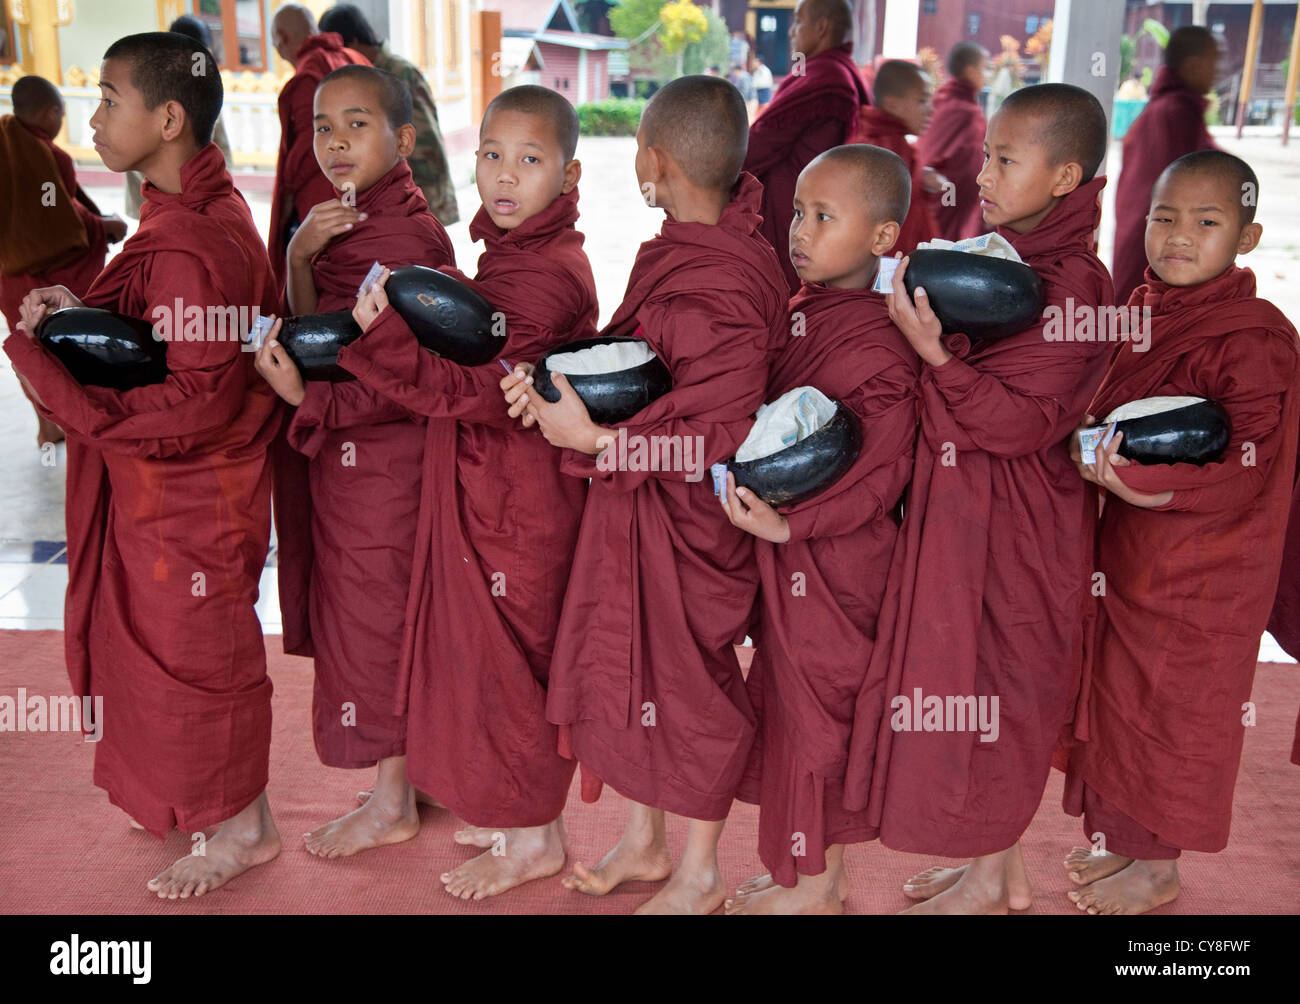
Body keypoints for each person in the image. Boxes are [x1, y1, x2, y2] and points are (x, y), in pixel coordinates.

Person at [4, 32, 282, 899]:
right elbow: (147, 335)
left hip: (195, 490)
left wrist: (62, 384)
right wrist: (79, 311)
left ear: (167, 118)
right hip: (158, 488)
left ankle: (243, 827)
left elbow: (195, 402)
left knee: (198, 651)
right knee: (154, 645)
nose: (92, 118)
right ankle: (190, 800)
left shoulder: (200, 237)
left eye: (108, 100)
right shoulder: (174, 216)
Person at [504, 76, 787, 914]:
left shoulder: (729, 275)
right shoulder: (681, 247)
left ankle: (700, 871)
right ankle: (646, 842)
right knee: (635, 675)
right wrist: (552, 381)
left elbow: (722, 433)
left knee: (689, 686)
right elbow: (641, 359)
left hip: (694, 518)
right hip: (642, 498)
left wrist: (594, 441)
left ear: (654, 163)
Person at [842, 83, 1115, 914]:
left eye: (1005, 158)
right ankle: (987, 860)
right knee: (956, 679)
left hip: (1024, 525)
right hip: (957, 510)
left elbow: (1024, 421)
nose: (983, 174)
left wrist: (937, 358)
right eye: (988, 153)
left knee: (1003, 687)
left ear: (1065, 175)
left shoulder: (1082, 289)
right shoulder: (1000, 256)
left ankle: (995, 873)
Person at [338, 85, 598, 899]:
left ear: (571, 173)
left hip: (521, 504)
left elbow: (476, 389)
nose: (505, 176)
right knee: (484, 661)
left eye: (530, 159)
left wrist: (379, 335)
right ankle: (513, 815)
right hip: (489, 485)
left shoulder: (549, 273)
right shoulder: (509, 255)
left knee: (513, 665)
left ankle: (537, 840)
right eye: (492, 155)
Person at [1063, 151, 1299, 915]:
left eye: (1207, 222)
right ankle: (1125, 845)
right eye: (1165, 217)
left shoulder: (1253, 336)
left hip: (1208, 561)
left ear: (1249, 234)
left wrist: (1142, 482)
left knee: (1175, 707)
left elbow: (1248, 464)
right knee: (1119, 695)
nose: (1179, 237)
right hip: (1133, 544)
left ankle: (1159, 866)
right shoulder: (1144, 310)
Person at [252, 64, 454, 858]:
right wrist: (300, 255)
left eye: (356, 125)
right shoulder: (335, 219)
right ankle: (414, 776)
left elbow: (406, 381)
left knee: (378, 624)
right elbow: (321, 335)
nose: (335, 142)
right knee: (373, 618)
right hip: (347, 454)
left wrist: (306, 399)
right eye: (322, 127)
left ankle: (392, 800)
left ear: (403, 140)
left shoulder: (403, 236)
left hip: (384, 464)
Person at [720, 145, 921, 914]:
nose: (799, 230)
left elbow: (880, 475)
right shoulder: (803, 309)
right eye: (798, 212)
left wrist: (791, 526)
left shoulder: (879, 341)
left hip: (841, 563)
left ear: (881, 238)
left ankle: (823, 881)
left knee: (821, 715)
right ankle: (796, 867)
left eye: (824, 217)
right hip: (788, 547)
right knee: (784, 703)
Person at [0, 74, 124, 444]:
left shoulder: (6, 143)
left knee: (27, 345)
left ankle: (46, 425)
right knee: (66, 345)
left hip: (7, 271)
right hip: (49, 273)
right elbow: (59, 218)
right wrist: (106, 227)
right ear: (52, 112)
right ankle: (74, 422)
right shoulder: (50, 156)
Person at [744, 0, 867, 292]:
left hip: (792, 220)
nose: (791, 32)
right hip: (815, 218)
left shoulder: (823, 77)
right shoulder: (842, 72)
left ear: (822, 27)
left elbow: (753, 148)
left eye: (799, 21)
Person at [319, 4, 459, 225]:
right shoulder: (363, 76)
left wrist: (421, 193)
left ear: (353, 41)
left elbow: (426, 138)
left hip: (419, 184)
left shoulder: (399, 72)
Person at [1112, 26, 1218, 304]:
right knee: (1142, 316)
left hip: (1142, 228)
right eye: (1213, 62)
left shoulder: (1163, 108)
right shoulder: (1176, 112)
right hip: (1154, 233)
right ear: (1194, 65)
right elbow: (1197, 178)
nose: (1216, 72)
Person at [268, 3, 368, 290]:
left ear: (282, 40)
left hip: (324, 195)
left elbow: (305, 155)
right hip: (369, 191)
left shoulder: (307, 77)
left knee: (326, 280)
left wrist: (287, 194)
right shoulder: (354, 58)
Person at [124, 14, 232, 220]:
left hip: (195, 200)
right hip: (157, 200)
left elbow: (221, 148)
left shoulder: (203, 88)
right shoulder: (151, 87)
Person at [852, 59, 939, 254]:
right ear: (893, 104)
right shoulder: (877, 151)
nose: (931, 110)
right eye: (922, 100)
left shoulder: (899, 146)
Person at [918, 42, 988, 241]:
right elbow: (931, 154)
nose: (987, 74)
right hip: (948, 195)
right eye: (985, 68)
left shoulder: (949, 102)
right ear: (971, 71)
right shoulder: (961, 109)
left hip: (956, 198)